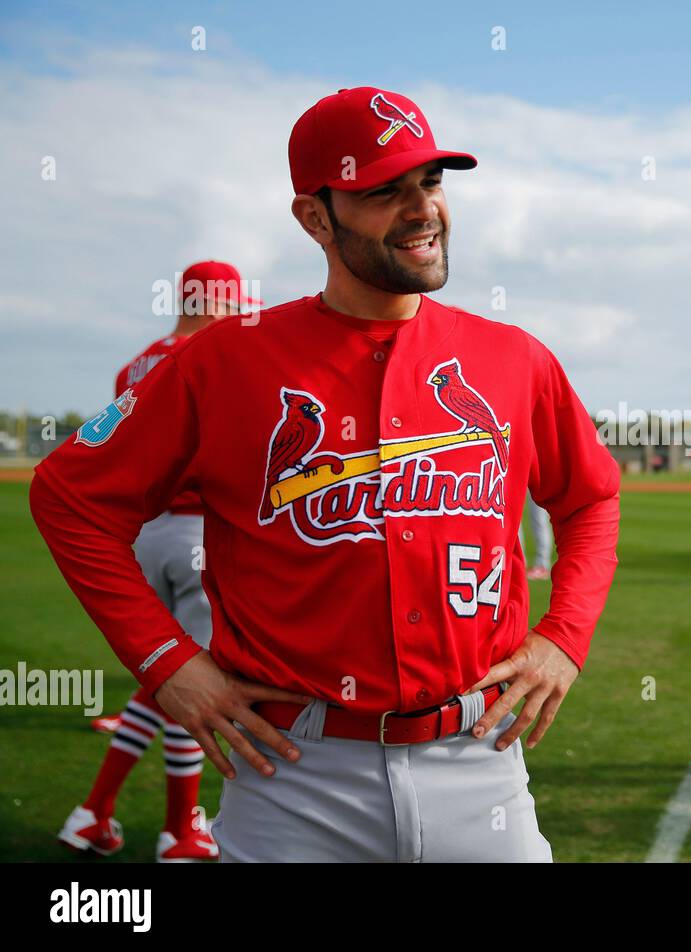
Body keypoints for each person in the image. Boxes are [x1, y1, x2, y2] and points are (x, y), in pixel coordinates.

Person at [31, 86, 621, 863]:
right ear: (315, 217)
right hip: (293, 773)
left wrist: (565, 638)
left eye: (432, 182)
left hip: (479, 760)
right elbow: (69, 498)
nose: (421, 209)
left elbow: (593, 497)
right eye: (384, 190)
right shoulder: (224, 360)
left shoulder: (514, 358)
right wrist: (167, 662)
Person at [58, 261, 253, 861]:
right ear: (223, 301)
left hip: (146, 535)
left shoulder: (134, 363)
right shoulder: (222, 353)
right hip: (199, 535)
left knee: (162, 678)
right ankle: (177, 830)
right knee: (191, 683)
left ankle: (95, 813)